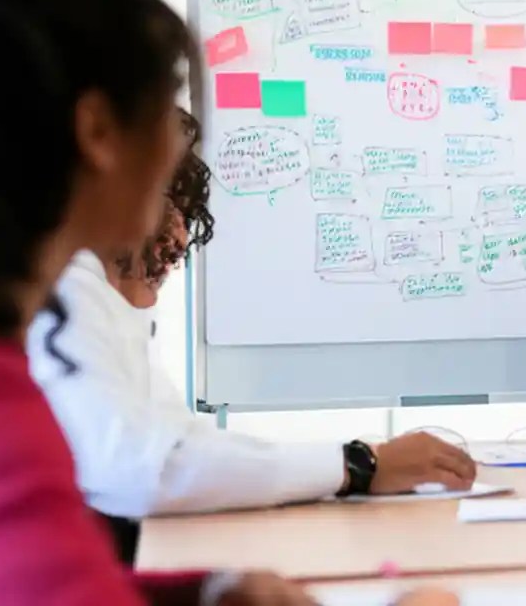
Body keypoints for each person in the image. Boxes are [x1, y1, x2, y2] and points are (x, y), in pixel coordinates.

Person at [0, 0, 452, 606]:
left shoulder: (33, 331)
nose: (179, 166)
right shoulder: (12, 388)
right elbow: (138, 472)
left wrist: (198, 594)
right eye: (165, 107)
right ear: (98, 132)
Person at [28, 108, 478, 554]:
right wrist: (358, 465)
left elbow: (180, 440)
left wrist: (356, 461)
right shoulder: (69, 294)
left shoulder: (100, 299)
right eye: (167, 203)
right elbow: (147, 471)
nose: (181, 238)